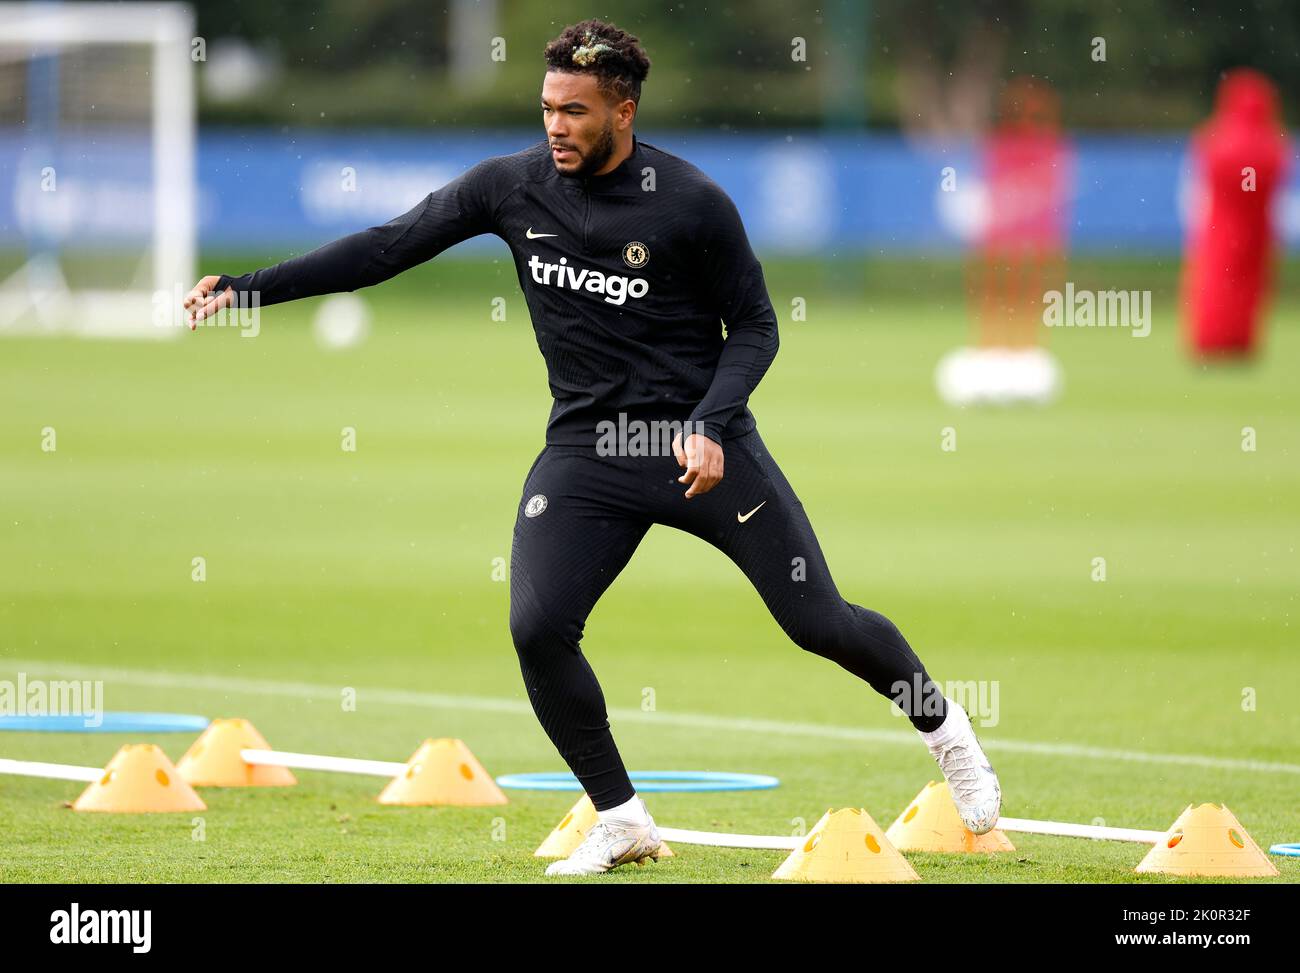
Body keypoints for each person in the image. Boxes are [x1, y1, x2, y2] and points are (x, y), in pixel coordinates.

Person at [184, 18, 1000, 876]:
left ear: (624, 110)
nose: (555, 126)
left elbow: (756, 328)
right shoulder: (511, 187)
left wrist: (712, 424)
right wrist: (248, 290)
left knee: (818, 621)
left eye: (575, 111)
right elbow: (384, 249)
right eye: (546, 108)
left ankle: (948, 735)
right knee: (536, 625)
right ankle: (622, 818)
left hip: (700, 447)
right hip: (587, 451)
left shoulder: (691, 203)